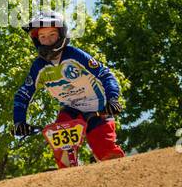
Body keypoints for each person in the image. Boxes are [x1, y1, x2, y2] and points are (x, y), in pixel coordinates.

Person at [11, 11, 125, 167]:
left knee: (106, 152)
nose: (48, 40)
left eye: (52, 34)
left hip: (99, 108)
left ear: (61, 33)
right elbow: (23, 95)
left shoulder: (74, 55)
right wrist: (19, 122)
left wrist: (113, 99)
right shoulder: (39, 66)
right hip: (70, 110)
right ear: (36, 40)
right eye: (42, 37)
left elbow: (105, 74)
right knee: (62, 153)